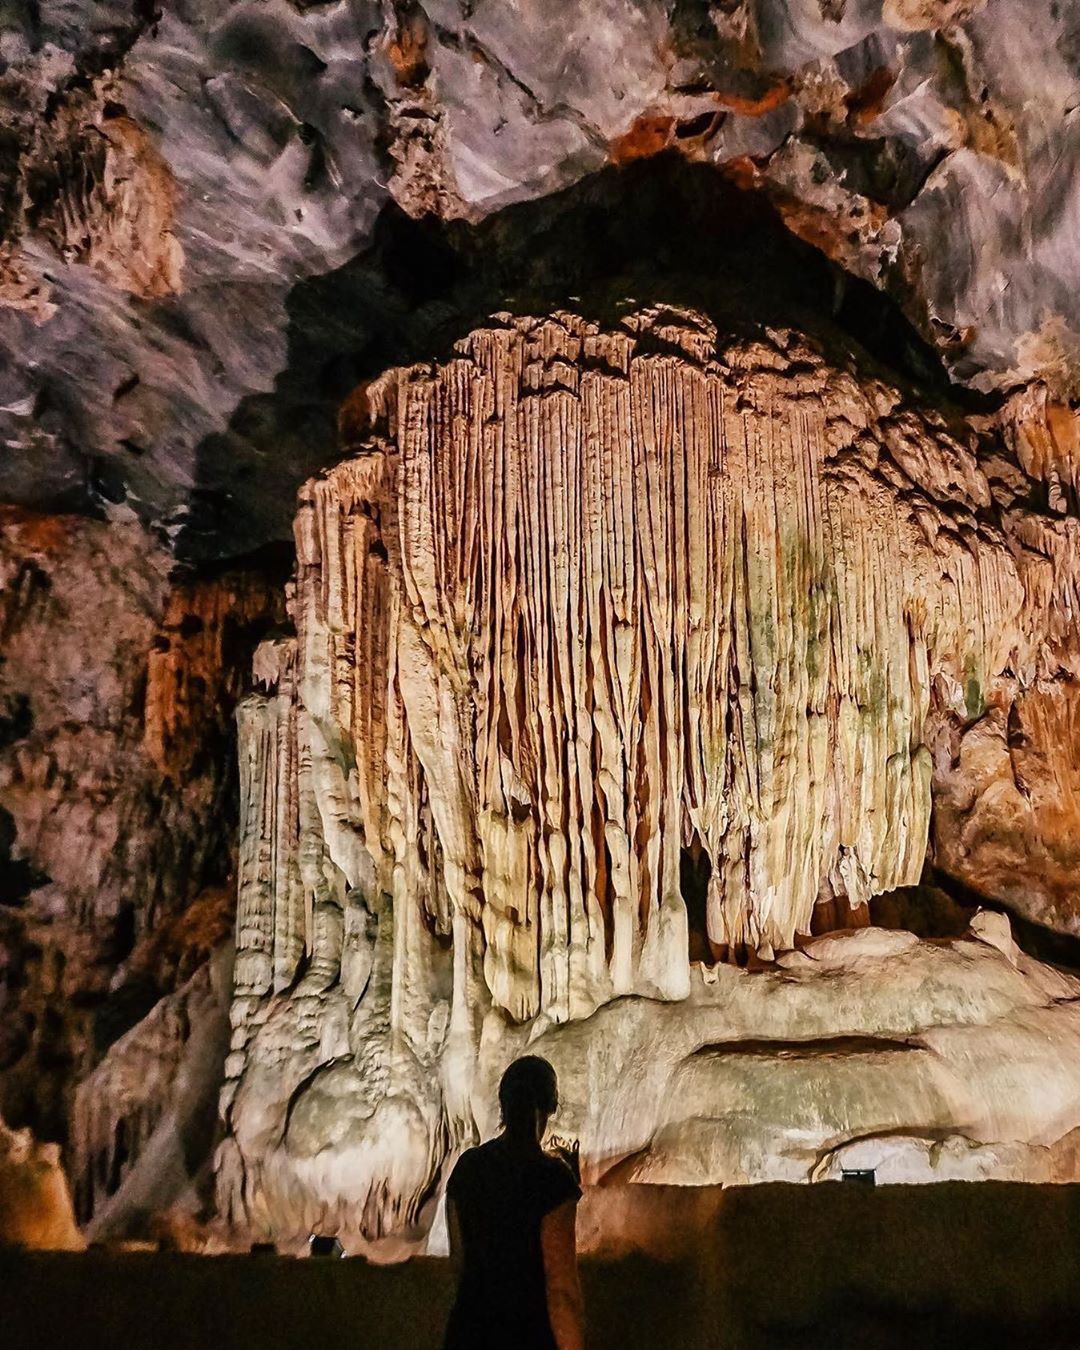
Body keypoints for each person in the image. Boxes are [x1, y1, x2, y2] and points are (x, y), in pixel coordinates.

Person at [443, 1056, 584, 1350]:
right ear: (547, 1108)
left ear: (503, 1107)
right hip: (528, 1336)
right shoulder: (553, 1179)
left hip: (469, 1335)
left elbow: (459, 1267)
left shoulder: (467, 1168)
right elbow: (560, 1289)